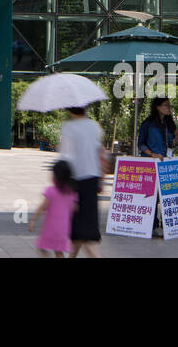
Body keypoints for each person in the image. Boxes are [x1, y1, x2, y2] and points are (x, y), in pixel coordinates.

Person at [59, 104, 108, 257]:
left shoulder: (68, 127)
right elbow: (100, 153)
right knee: (80, 230)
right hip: (92, 181)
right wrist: (102, 177)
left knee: (83, 232)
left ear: (69, 109)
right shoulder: (93, 125)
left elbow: (65, 158)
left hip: (75, 182)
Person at [137, 97, 177, 237]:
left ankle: (166, 224)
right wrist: (152, 154)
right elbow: (140, 144)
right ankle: (152, 224)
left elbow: (171, 145)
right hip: (150, 164)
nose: (168, 108)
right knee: (151, 196)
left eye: (169, 105)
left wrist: (176, 138)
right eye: (166, 105)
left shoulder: (168, 123)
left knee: (165, 195)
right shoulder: (148, 123)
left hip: (165, 163)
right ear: (158, 107)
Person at [29, 160, 78, 257]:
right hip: (64, 228)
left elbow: (43, 207)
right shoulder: (71, 192)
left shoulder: (51, 191)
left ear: (56, 176)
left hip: (51, 227)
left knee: (41, 247)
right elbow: (75, 208)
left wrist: (33, 220)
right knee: (58, 251)